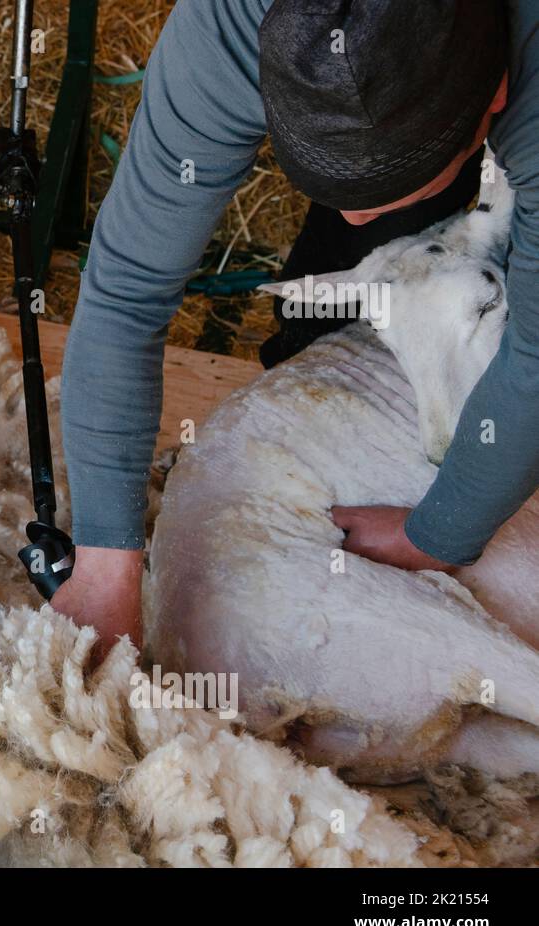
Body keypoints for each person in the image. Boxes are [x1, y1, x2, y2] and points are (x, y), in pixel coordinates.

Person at [53, 0, 538, 666]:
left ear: (498, 94)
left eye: (384, 191)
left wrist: (440, 534)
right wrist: (105, 564)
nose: (358, 210)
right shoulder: (226, 29)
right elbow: (128, 286)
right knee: (334, 283)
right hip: (409, 104)